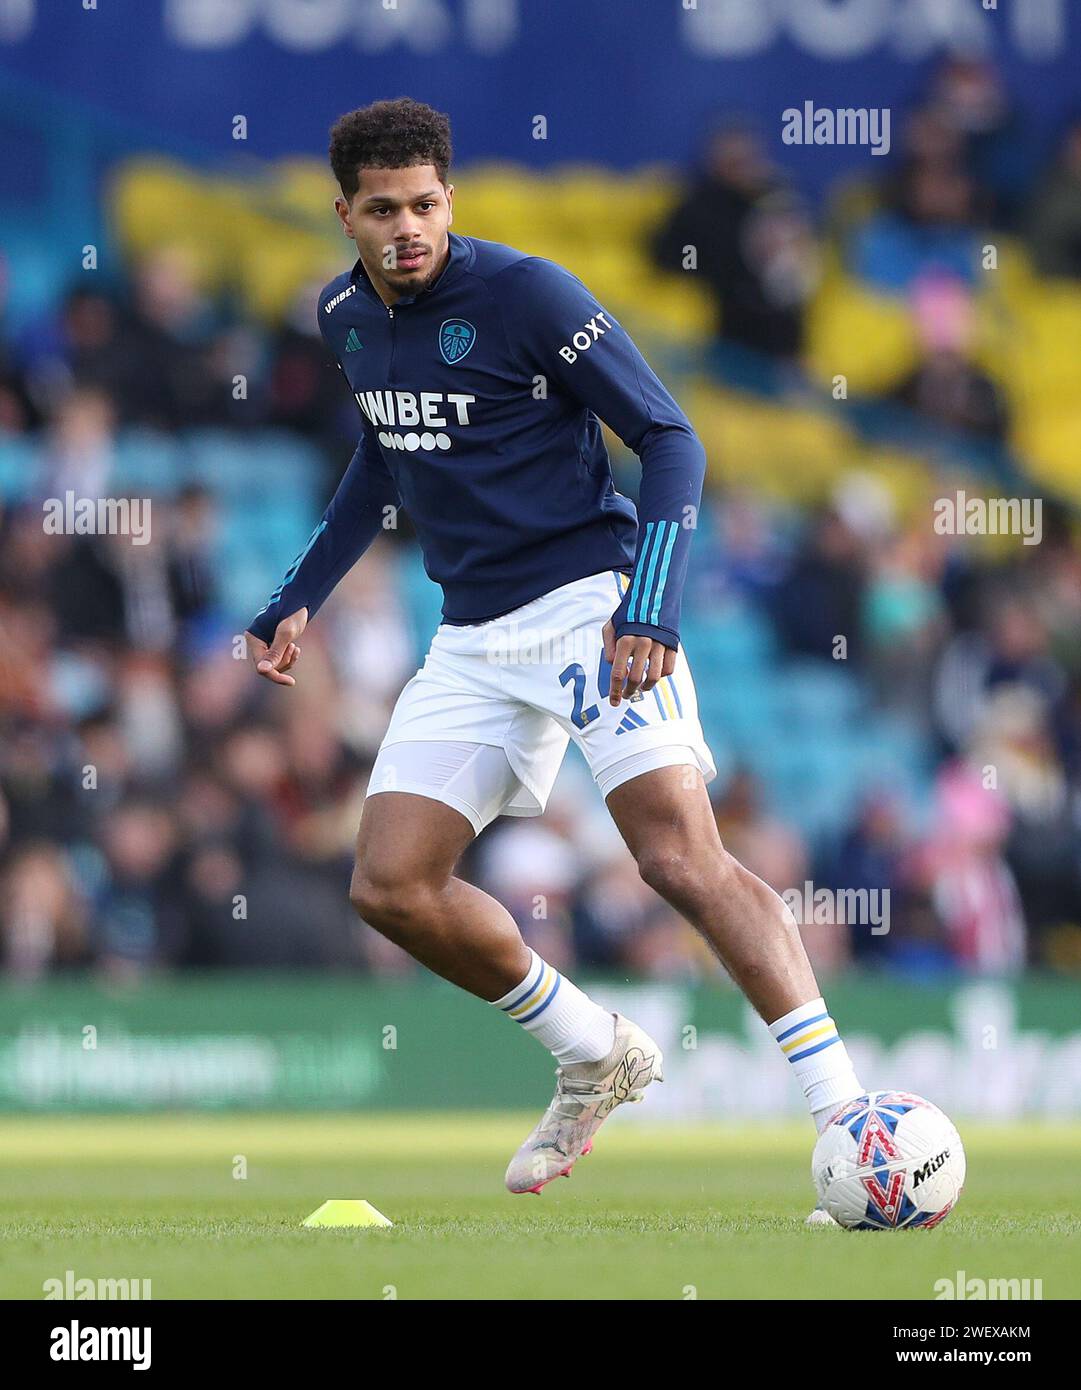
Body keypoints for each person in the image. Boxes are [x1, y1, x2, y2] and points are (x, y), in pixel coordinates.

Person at [245, 99, 865, 1214]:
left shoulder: (529, 296)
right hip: (475, 633)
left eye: (425, 204)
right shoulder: (343, 315)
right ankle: (591, 1047)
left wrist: (651, 607)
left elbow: (671, 438)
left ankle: (846, 1112)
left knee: (676, 857)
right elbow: (385, 460)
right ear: (344, 214)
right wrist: (298, 596)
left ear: (449, 198)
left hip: (592, 605)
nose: (406, 229)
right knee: (388, 884)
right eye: (381, 210)